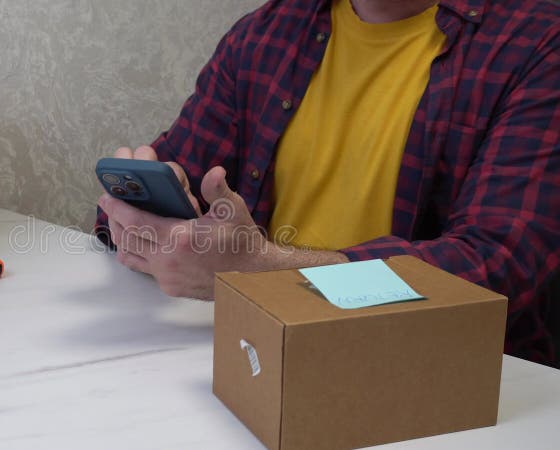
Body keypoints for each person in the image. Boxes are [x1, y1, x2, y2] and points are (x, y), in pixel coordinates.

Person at [95, 0, 560, 366]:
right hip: (259, 352)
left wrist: (259, 270)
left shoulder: (539, 43)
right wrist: (137, 219)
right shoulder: (268, 32)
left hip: (446, 380)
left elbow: (499, 266)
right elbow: (169, 182)